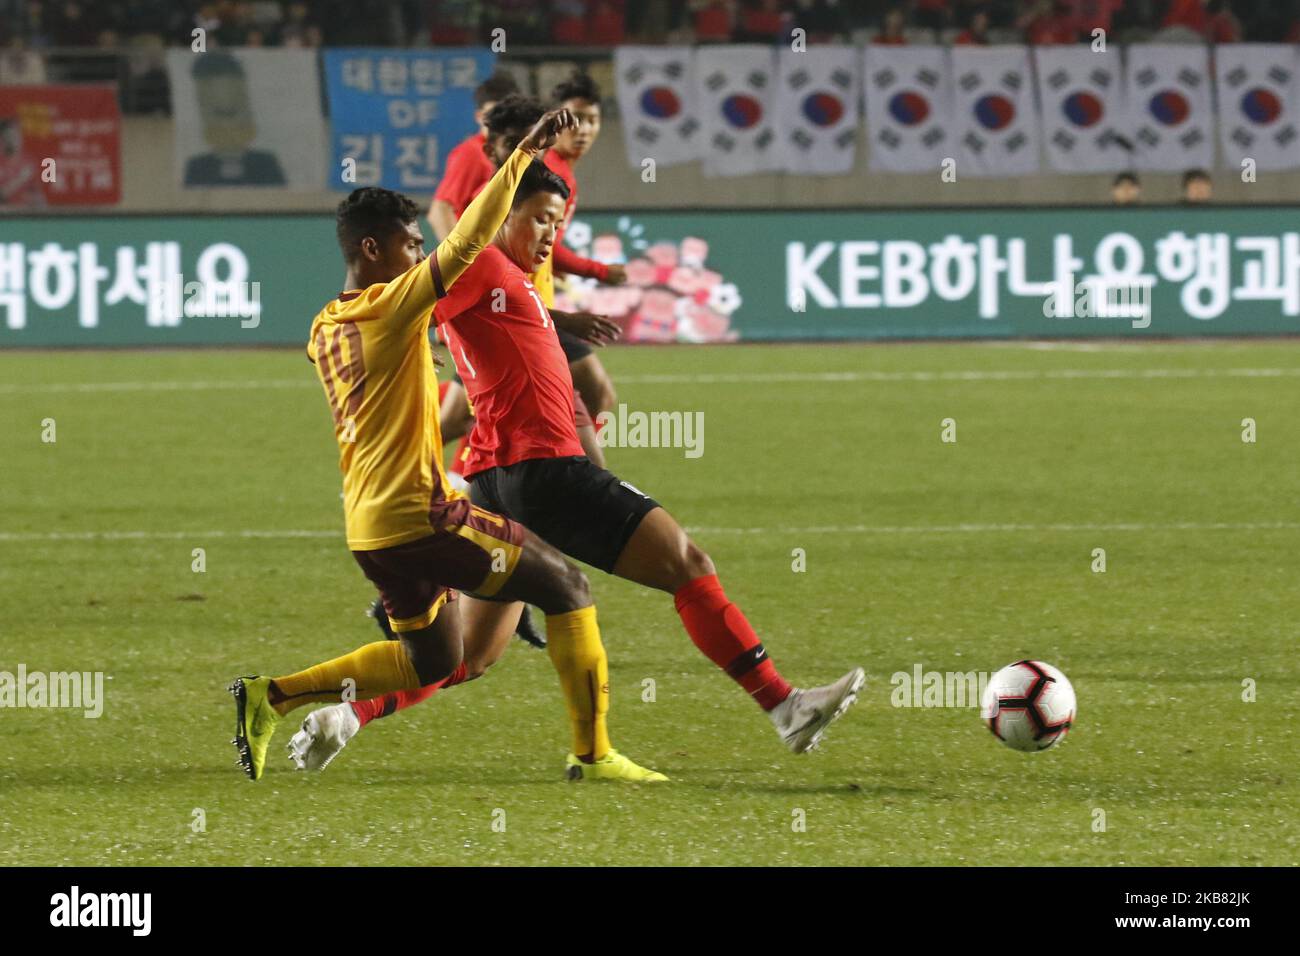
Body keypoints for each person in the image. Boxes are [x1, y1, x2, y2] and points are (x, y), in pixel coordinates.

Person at [288, 158, 865, 775]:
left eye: (557, 223)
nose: (548, 236)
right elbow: (437, 278)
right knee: (688, 565)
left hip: (496, 478)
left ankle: (347, 716)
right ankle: (784, 706)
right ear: (501, 215)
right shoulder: (475, 262)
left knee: (472, 654)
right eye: (538, 219)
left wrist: (561, 326)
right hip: (539, 468)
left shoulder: (510, 280)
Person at [230, 108, 665, 784]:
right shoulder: (393, 303)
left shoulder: (324, 325)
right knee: (569, 586)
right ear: (373, 250)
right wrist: (521, 157)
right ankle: (595, 755)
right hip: (420, 515)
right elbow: (465, 241)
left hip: (366, 525)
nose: (418, 256)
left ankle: (271, 696)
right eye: (408, 244)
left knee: (434, 658)